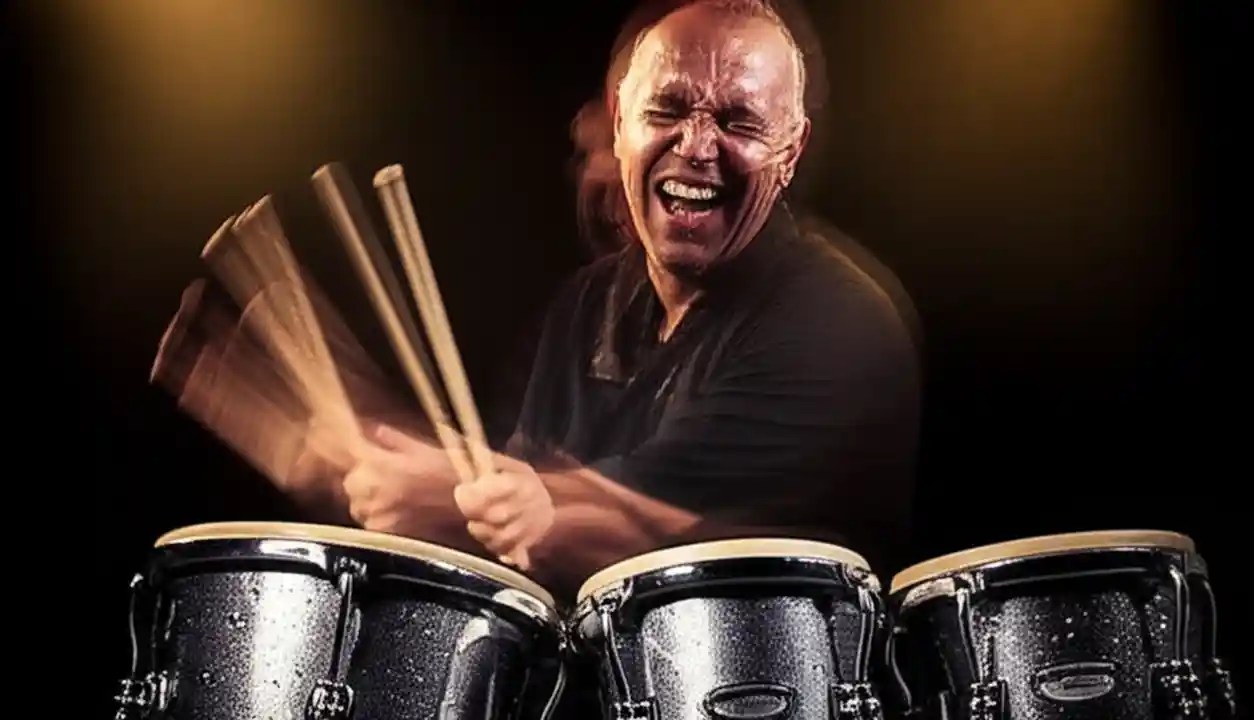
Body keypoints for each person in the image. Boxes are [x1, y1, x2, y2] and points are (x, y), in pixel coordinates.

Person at [337, 0, 923, 598]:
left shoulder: (836, 324)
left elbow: (668, 538)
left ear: (791, 152)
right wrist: (377, 462)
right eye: (666, 109)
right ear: (620, 125)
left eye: (739, 122)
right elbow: (507, 523)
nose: (696, 146)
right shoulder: (583, 306)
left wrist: (452, 494)